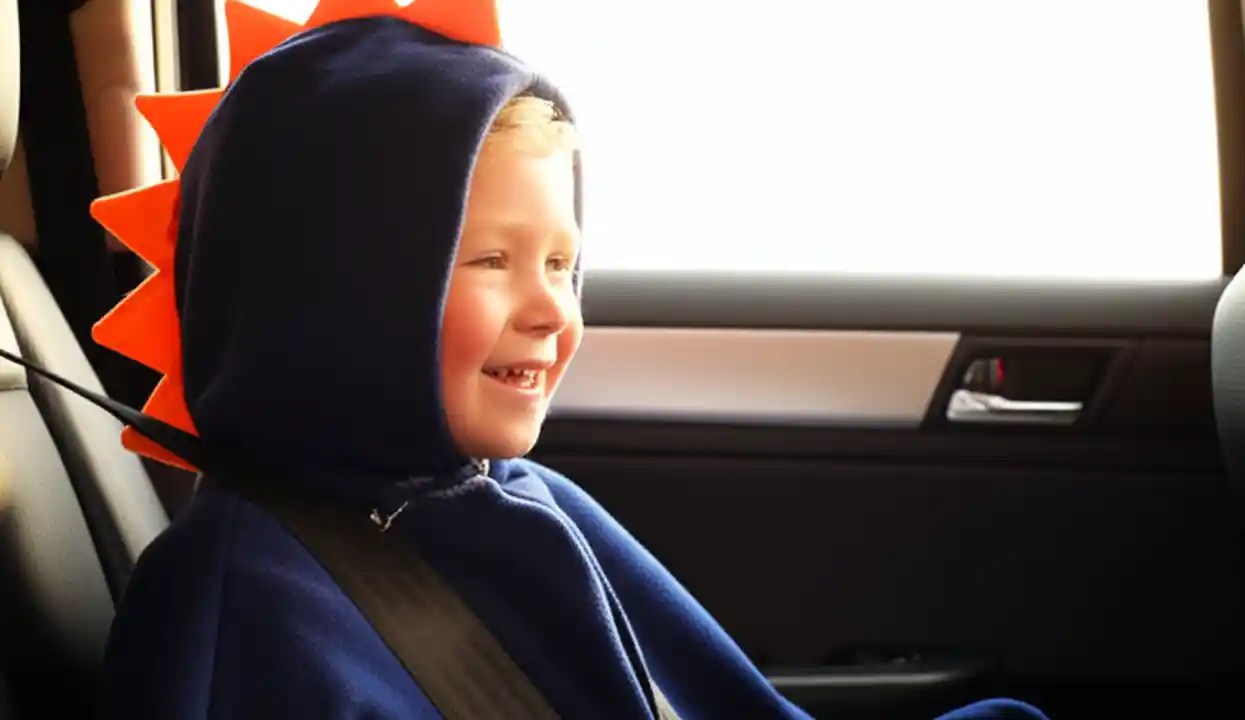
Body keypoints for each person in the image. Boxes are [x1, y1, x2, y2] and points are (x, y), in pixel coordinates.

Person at [91, 2, 1049, 718]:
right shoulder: (240, 618)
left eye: (565, 261)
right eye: (493, 261)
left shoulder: (522, 497)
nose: (555, 306)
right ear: (335, 288)